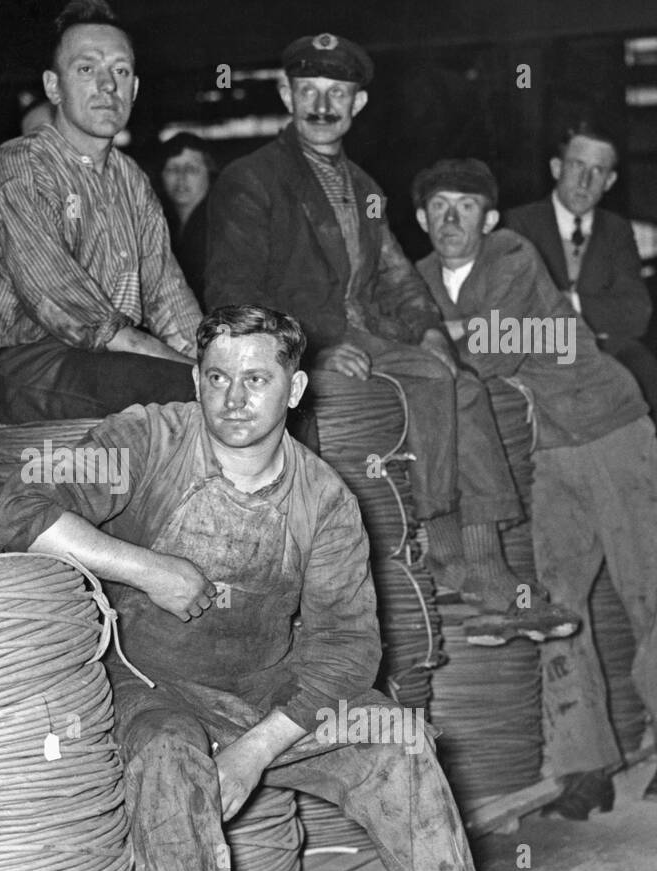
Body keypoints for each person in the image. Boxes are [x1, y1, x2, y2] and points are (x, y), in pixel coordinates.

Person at [0, 304, 487, 871]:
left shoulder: (325, 499)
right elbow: (14, 513)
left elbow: (347, 649)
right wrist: (148, 569)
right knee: (169, 763)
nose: (234, 398)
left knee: (398, 742)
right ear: (195, 380)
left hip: (260, 688)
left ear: (295, 389)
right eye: (217, 377)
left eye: (256, 379)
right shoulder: (145, 441)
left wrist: (254, 751)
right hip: (143, 682)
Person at [206, 32, 575, 645]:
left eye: (338, 93)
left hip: (365, 332)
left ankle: (485, 567)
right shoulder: (253, 181)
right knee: (436, 379)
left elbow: (398, 279)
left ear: (359, 104)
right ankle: (449, 551)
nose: (323, 105)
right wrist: (316, 342)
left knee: (460, 382)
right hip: (298, 339)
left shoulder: (366, 188)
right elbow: (235, 291)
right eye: (309, 91)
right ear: (284, 94)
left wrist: (429, 330)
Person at [412, 158, 657, 815]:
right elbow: (407, 348)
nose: (451, 219)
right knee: (556, 602)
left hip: (612, 428)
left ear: (488, 217)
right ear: (420, 219)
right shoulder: (420, 281)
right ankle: (586, 768)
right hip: (549, 452)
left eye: (465, 206)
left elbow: (488, 352)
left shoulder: (514, 255)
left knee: (649, 593)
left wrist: (440, 338)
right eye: (438, 207)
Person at [0, 0, 200, 424]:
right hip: (34, 366)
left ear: (135, 89)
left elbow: (167, 295)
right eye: (86, 69)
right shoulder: (19, 165)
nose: (107, 86)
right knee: (185, 391)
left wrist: (216, 360)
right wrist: (192, 371)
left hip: (118, 359)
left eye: (121, 71)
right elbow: (63, 303)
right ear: (54, 87)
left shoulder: (132, 179)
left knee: (258, 394)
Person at [502, 124, 657, 544]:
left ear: (609, 181)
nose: (585, 180)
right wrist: (574, 311)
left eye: (597, 171)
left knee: (646, 373)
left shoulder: (616, 231)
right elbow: (512, 301)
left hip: (605, 344)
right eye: (576, 166)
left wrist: (569, 303)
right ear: (557, 167)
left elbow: (636, 311)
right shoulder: (518, 223)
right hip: (539, 345)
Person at [160, 131, 215, 299]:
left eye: (191, 169)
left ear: (209, 173)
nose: (181, 178)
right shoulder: (163, 225)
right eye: (172, 169)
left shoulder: (218, 224)